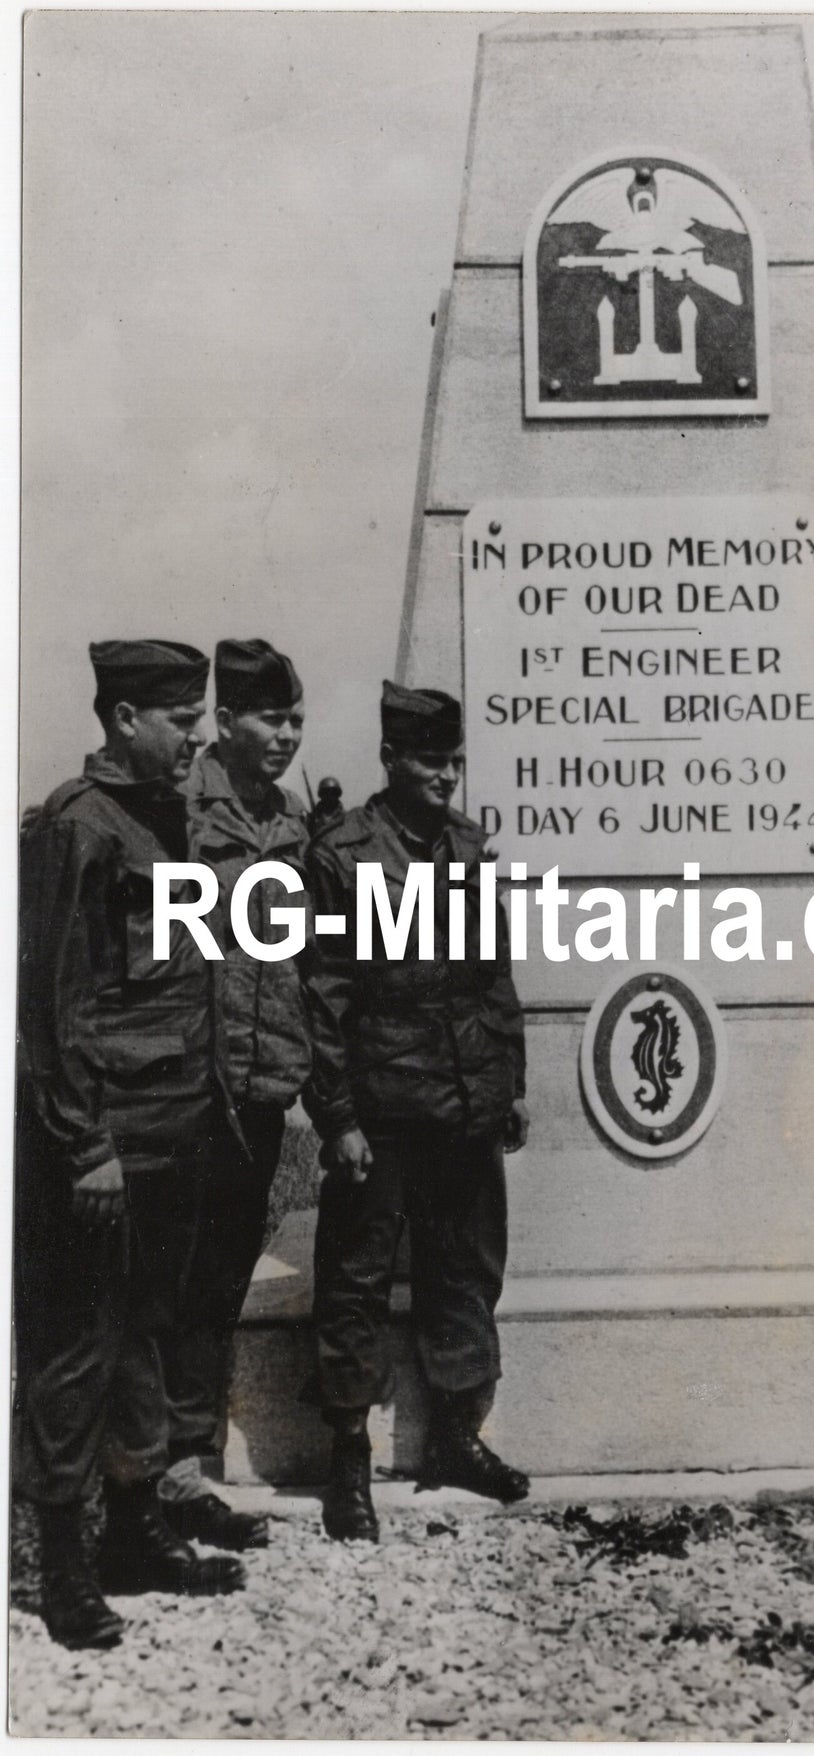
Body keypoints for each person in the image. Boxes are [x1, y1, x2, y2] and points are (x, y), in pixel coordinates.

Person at [15, 640, 245, 1652]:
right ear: (122, 719)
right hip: (106, 1145)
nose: (196, 734)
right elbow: (52, 1007)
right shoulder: (79, 829)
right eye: (179, 718)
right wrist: (82, 1145)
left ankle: (135, 1534)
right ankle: (61, 1563)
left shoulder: (167, 819)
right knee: (78, 1349)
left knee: (148, 1333)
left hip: (174, 1130)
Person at [305, 683, 530, 1541]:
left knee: (465, 1271)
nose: (447, 775)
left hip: (465, 1102)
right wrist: (337, 1118)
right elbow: (320, 995)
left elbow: (493, 977)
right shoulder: (344, 855)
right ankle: (347, 1460)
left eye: (455, 760)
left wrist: (507, 1081)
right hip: (383, 1109)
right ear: (391, 760)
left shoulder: (469, 849)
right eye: (432, 761)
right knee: (356, 1280)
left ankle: (454, 1441)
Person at [155, 639, 311, 1552]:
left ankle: (191, 1471)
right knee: (163, 1282)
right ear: (225, 721)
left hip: (257, 1093)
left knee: (217, 1282)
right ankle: (148, 1478)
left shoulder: (288, 820)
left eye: (295, 719)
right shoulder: (181, 811)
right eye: (269, 717)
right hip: (186, 1087)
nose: (286, 735)